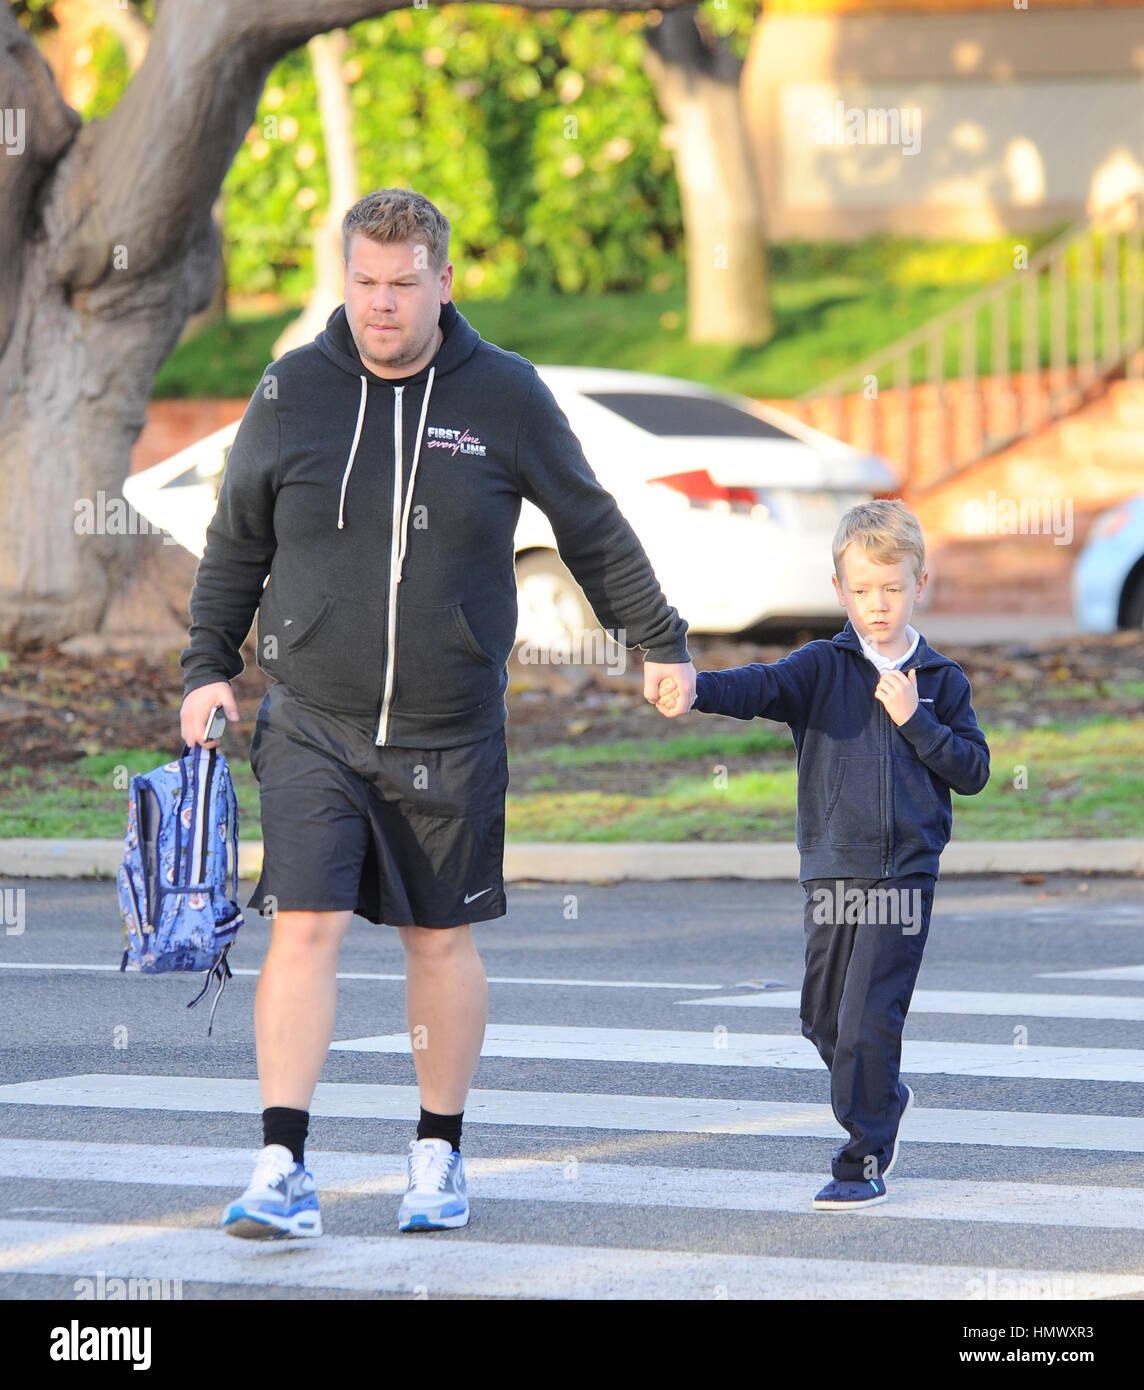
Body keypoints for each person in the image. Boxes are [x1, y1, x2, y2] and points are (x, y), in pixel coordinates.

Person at [178, 188, 697, 1237]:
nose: (381, 304)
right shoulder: (291, 390)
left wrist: (659, 640)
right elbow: (236, 541)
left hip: (448, 724)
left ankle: (437, 1152)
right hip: (313, 715)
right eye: (364, 282)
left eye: (402, 284)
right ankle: (282, 1163)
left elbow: (589, 526)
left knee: (437, 939)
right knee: (306, 925)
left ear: (443, 283)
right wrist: (206, 667)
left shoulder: (504, 393)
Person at [655, 499, 990, 1209]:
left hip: (905, 875)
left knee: (869, 1020)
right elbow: (759, 685)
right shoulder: (822, 667)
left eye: (893, 588)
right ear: (840, 590)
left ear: (920, 584)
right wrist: (696, 689)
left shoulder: (942, 680)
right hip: (832, 868)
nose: (878, 604)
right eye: (863, 590)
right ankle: (882, 1092)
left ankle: (861, 1158)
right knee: (823, 1019)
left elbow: (973, 771)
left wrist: (916, 721)